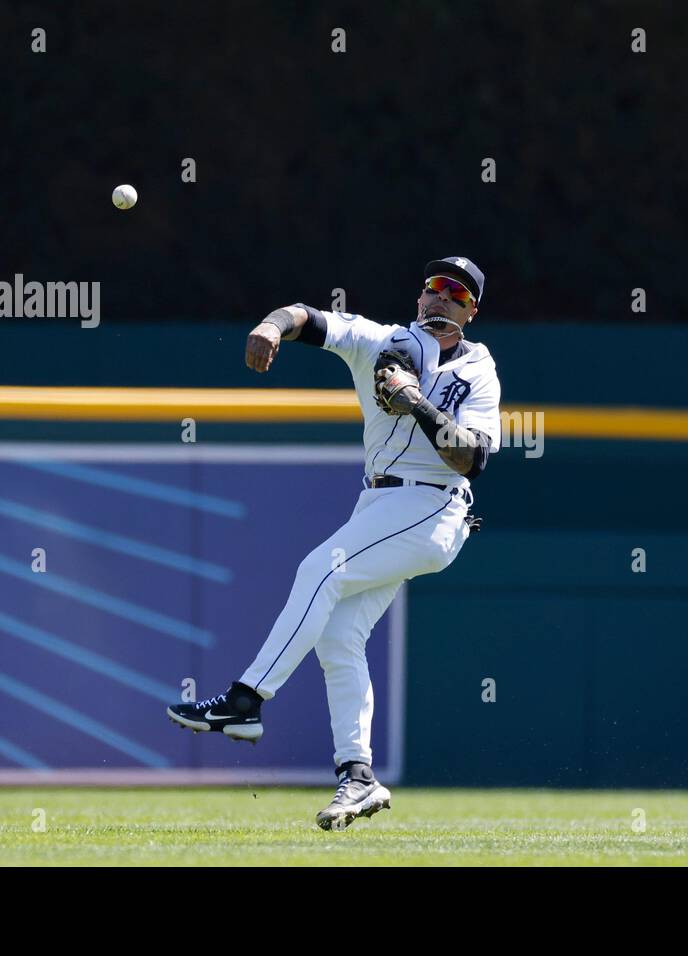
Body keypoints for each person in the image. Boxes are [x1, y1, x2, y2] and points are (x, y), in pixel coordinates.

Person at [168, 257, 502, 830]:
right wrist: (271, 326)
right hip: (382, 503)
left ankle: (245, 701)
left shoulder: (479, 371)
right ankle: (359, 776)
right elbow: (307, 316)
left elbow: (473, 459)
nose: (439, 296)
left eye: (455, 291)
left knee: (320, 570)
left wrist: (416, 403)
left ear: (471, 310)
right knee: (341, 637)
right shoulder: (380, 340)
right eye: (433, 286)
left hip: (433, 507)